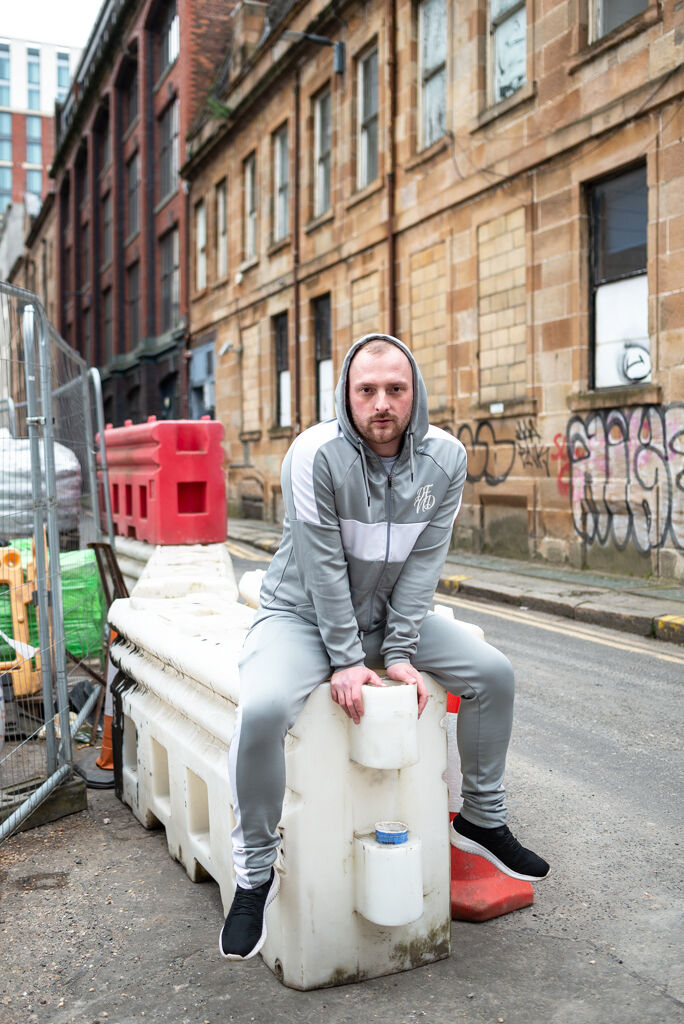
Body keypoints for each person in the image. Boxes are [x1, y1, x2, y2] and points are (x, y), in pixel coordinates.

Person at [219, 333, 548, 962]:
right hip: (301, 614)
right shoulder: (313, 454)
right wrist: (347, 658)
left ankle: (481, 819)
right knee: (261, 712)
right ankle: (255, 872)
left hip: (391, 615)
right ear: (347, 393)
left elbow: (426, 565)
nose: (381, 404)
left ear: (414, 392)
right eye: (367, 390)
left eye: (395, 389)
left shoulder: (446, 460)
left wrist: (397, 651)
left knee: (493, 673)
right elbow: (320, 569)